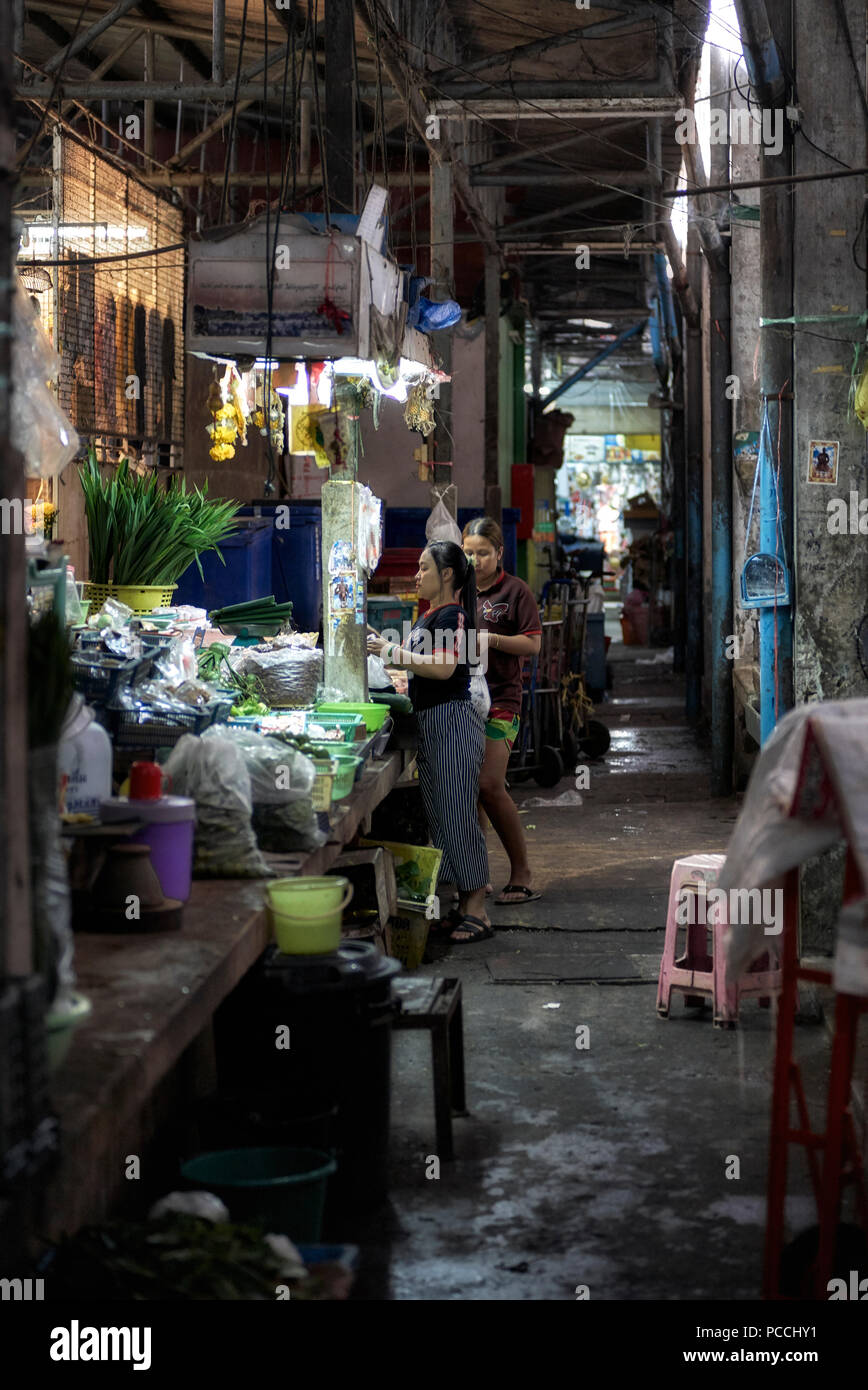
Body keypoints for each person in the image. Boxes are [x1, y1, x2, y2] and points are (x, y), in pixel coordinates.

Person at [367, 542, 492, 944]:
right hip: (433, 722)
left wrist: (391, 651)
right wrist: (381, 646)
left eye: (424, 569)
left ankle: (478, 909)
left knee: (457, 813)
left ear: (448, 575)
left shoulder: (453, 615)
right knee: (441, 815)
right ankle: (460, 905)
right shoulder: (432, 616)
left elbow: (444, 667)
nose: (417, 576)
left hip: (453, 721)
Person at [462, 517, 542, 905]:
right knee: (469, 791)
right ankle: (478, 875)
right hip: (462, 700)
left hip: (503, 701)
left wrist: (493, 638)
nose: (475, 560)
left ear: (499, 553)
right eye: (468, 552)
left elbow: (532, 645)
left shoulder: (515, 591)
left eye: (482, 552)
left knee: (489, 785)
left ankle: (522, 872)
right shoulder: (455, 591)